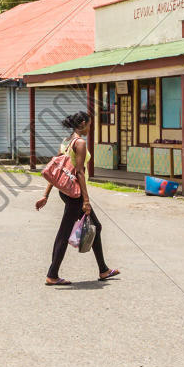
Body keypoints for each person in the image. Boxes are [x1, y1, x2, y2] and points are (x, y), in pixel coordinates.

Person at [35, 110, 120, 286]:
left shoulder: (67, 142)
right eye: (89, 124)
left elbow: (58, 171)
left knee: (96, 226)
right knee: (64, 232)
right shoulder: (79, 143)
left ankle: (103, 269)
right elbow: (79, 172)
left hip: (67, 193)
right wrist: (86, 200)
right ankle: (52, 274)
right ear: (82, 123)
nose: (91, 127)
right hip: (75, 195)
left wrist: (46, 195)